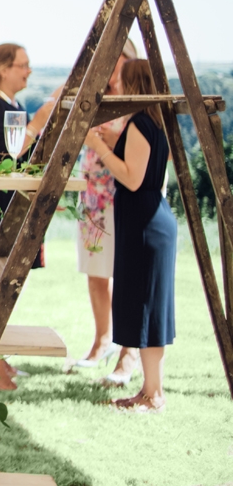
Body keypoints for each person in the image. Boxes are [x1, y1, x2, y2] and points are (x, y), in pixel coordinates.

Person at [83, 60, 175, 413]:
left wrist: (98, 145)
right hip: (148, 221)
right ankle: (149, 391)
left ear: (132, 85)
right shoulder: (154, 121)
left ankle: (154, 395)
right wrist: (112, 142)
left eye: (120, 81)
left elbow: (131, 178)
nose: (116, 88)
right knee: (147, 309)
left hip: (145, 226)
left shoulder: (138, 122)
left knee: (149, 310)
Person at [0, 43, 55, 390]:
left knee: (6, 286)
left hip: (9, 206)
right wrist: (35, 124)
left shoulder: (9, 104)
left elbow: (23, 162)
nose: (28, 71)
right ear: (4, 69)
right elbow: (0, 159)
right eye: (23, 65)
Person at [73, 38, 139, 370]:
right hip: (93, 198)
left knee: (128, 276)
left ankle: (129, 350)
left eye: (117, 60)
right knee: (96, 273)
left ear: (130, 60)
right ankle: (101, 341)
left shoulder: (139, 100)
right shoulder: (94, 98)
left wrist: (101, 139)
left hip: (127, 198)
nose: (111, 67)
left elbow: (150, 149)